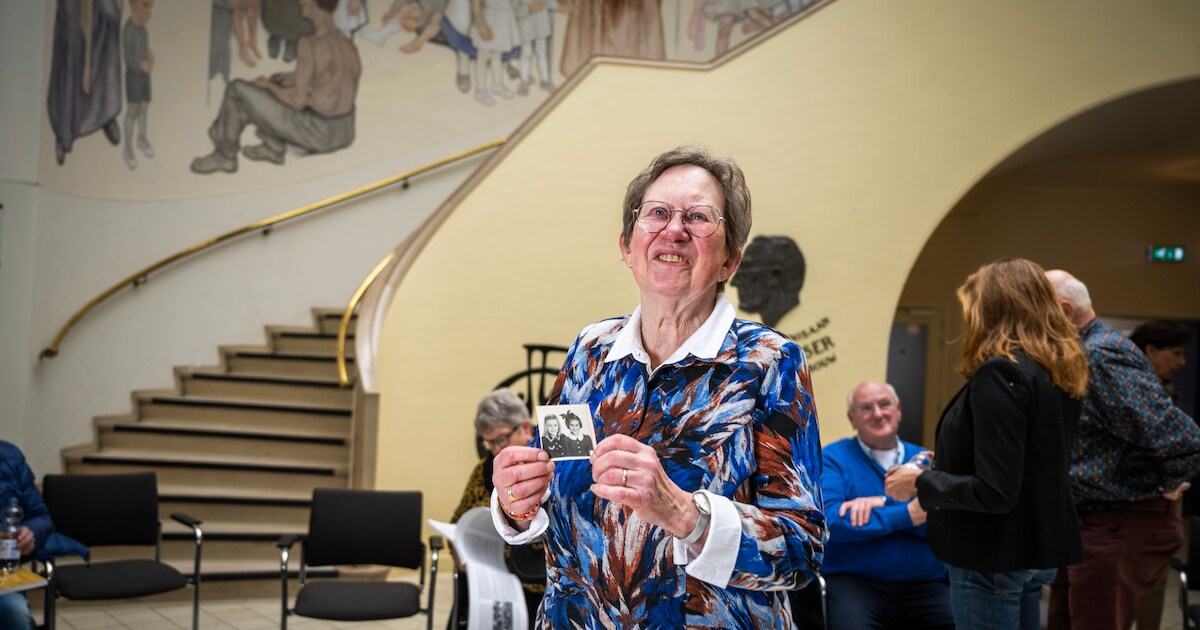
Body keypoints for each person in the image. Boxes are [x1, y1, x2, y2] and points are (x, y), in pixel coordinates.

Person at [490, 145, 826, 628]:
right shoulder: (590, 350)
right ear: (627, 245)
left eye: (698, 217)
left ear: (730, 259)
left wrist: (685, 514)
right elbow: (547, 493)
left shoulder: (768, 362)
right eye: (658, 213)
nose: (674, 230)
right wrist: (516, 501)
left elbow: (801, 549)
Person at [885, 258, 1087, 630]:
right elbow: (1029, 458)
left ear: (991, 310)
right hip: (1035, 546)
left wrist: (918, 483)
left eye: (971, 308)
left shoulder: (1002, 372)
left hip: (994, 551)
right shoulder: (1055, 370)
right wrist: (945, 458)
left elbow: (995, 491)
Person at [1042, 270, 1200, 630]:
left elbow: (1183, 439)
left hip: (1115, 523)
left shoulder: (1101, 357)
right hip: (1089, 521)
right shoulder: (1085, 354)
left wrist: (1166, 483)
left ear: (1065, 311)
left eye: (1035, 311)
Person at [821, 381, 953, 630]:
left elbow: (945, 523)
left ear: (898, 409)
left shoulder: (926, 459)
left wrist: (882, 503)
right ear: (852, 418)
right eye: (866, 408)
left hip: (927, 585)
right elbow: (831, 523)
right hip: (856, 584)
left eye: (884, 404)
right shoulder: (833, 458)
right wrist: (909, 515)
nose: (878, 413)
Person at [192, 0, 362, 174]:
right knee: (277, 80)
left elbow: (297, 101)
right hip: (345, 130)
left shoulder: (309, 44)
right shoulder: (345, 43)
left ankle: (224, 155)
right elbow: (332, 81)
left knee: (237, 90)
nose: (300, 2)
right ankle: (274, 148)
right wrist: (294, 78)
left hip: (318, 133)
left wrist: (267, 86)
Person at [449, 389, 543, 629]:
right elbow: (458, 521)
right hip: (493, 579)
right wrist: (460, 550)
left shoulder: (549, 467)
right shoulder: (484, 471)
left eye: (500, 439)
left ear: (525, 427)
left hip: (539, 582)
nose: (494, 450)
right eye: (489, 442)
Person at [0, 441, 89, 630]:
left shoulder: (9, 456)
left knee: (14, 611)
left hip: (3, 573)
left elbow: (40, 516)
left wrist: (29, 533)